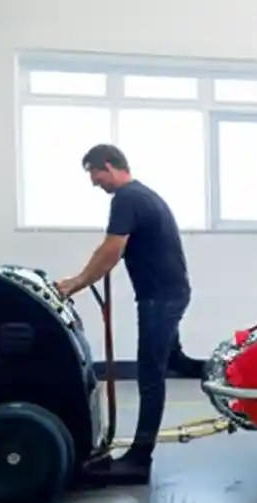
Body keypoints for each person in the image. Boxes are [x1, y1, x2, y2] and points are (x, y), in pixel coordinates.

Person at [54, 144, 205, 484]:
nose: (94, 181)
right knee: (174, 361)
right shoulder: (142, 196)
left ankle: (139, 459)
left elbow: (111, 249)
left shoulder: (127, 198)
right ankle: (214, 369)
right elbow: (115, 251)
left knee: (150, 377)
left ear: (109, 165)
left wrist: (76, 283)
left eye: (95, 173)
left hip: (160, 299)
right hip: (170, 293)